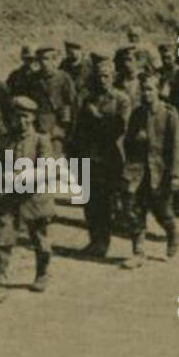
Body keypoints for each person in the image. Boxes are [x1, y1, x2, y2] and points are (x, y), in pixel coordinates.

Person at [0, 96, 56, 291]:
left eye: (26, 116)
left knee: (40, 241)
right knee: (2, 239)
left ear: (33, 117)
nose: (21, 121)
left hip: (34, 198)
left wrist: (24, 175)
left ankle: (42, 273)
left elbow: (48, 169)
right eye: (17, 116)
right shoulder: (6, 140)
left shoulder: (41, 140)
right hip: (9, 198)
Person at [69, 54, 131, 256]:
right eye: (99, 76)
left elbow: (119, 129)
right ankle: (94, 240)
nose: (102, 80)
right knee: (89, 201)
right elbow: (79, 129)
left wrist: (97, 117)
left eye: (106, 76)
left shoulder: (121, 100)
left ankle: (103, 242)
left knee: (104, 202)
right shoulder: (88, 98)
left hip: (109, 157)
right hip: (88, 155)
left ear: (113, 77)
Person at [121, 73, 179, 268]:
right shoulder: (137, 113)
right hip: (139, 171)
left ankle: (173, 235)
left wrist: (175, 175)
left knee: (162, 211)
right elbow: (128, 143)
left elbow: (177, 147)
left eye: (150, 89)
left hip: (160, 172)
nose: (146, 93)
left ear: (158, 90)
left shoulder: (169, 114)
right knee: (135, 210)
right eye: (143, 89)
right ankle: (138, 252)